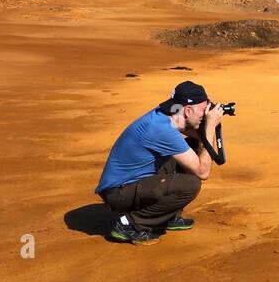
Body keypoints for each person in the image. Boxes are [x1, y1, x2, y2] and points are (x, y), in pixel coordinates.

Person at [95, 81, 222, 244]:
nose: (205, 115)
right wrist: (210, 127)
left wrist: (205, 119)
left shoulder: (169, 114)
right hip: (118, 193)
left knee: (191, 145)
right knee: (191, 184)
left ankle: (167, 215)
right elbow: (203, 172)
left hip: (131, 183)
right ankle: (130, 225)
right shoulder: (161, 129)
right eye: (203, 111)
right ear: (188, 110)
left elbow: (190, 131)